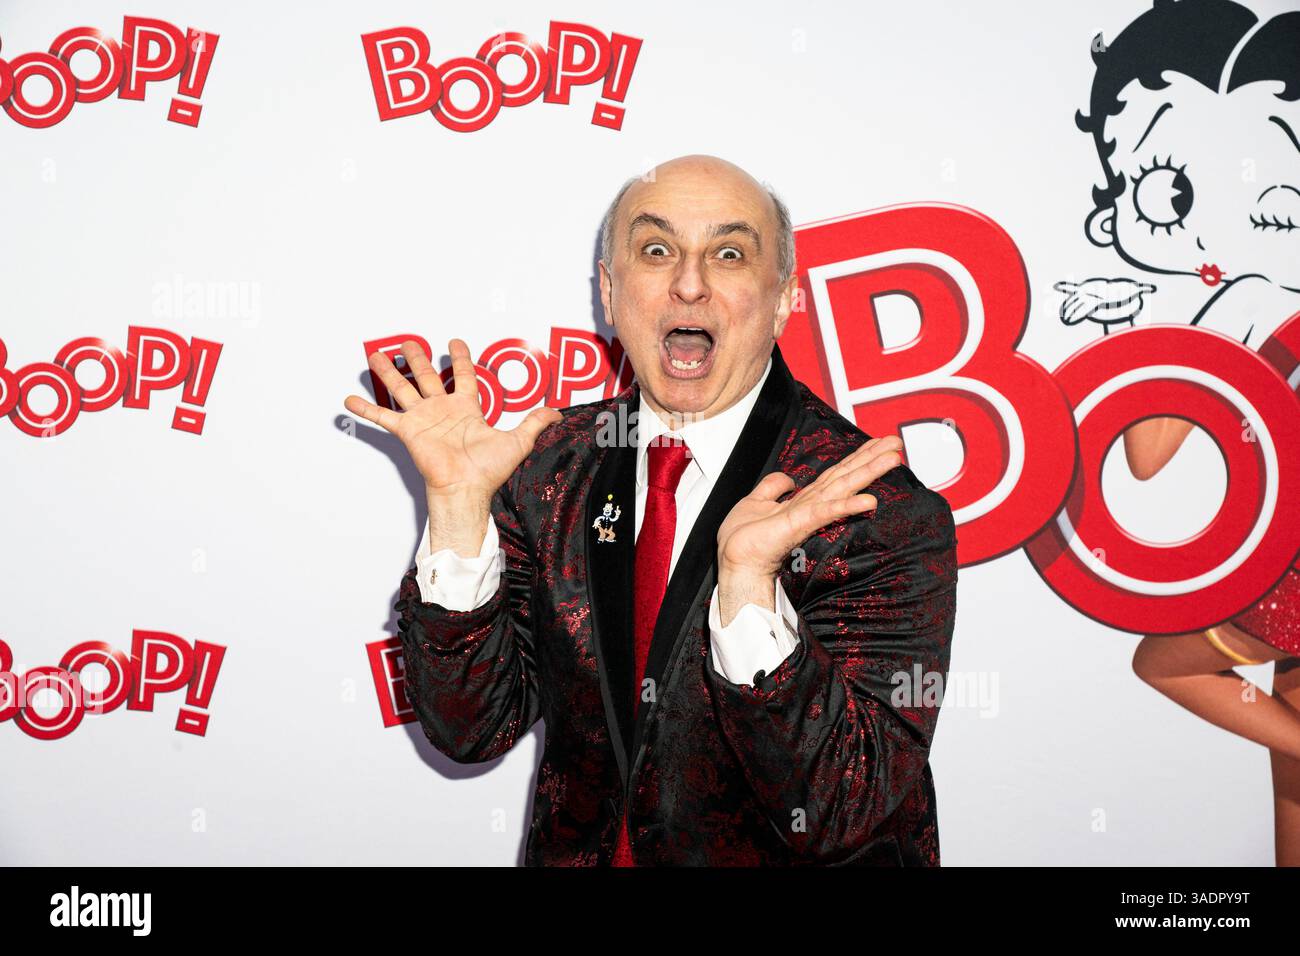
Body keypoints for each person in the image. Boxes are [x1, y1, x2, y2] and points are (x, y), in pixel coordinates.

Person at [344, 154, 958, 866]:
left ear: (787, 296)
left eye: (728, 254)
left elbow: (840, 806)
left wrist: (751, 597)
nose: (689, 284)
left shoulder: (875, 508)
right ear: (609, 290)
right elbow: (468, 727)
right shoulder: (547, 466)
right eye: (656, 250)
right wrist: (455, 513)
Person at [1066, 0, 1300, 866]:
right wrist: (1170, 333)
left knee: (1168, 662)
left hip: (1285, 571)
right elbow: (1146, 453)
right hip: (1280, 562)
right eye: (1170, 190)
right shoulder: (1241, 315)